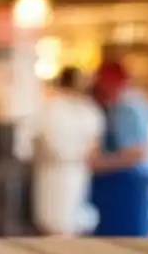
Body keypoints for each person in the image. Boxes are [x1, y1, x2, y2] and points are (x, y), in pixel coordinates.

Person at [32, 67, 105, 236]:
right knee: (66, 221)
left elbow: (36, 142)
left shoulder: (49, 108)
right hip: (71, 170)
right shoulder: (89, 110)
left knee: (53, 220)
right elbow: (94, 148)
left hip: (54, 170)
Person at [90, 60, 148, 237]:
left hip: (126, 182)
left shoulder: (125, 106)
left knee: (122, 238)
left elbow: (136, 153)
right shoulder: (139, 100)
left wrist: (98, 164)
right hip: (135, 181)